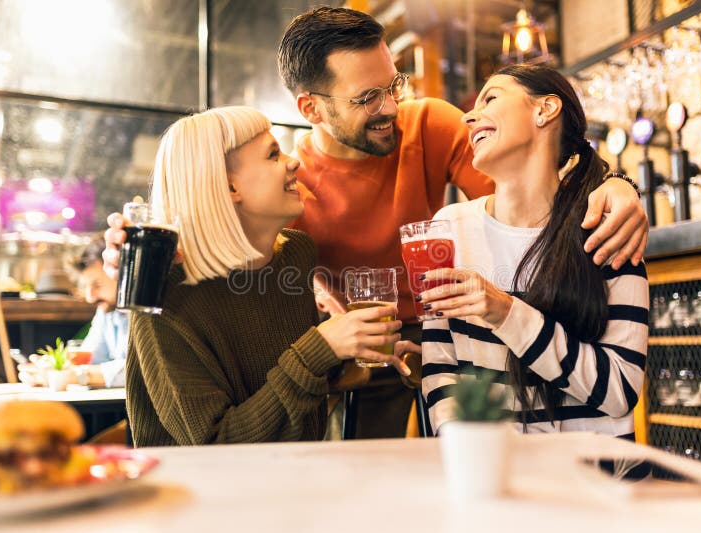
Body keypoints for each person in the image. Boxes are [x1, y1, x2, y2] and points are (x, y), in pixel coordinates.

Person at [106, 7, 648, 439]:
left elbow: (533, 189)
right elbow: (219, 237)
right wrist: (127, 260)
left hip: (460, 329)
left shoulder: (429, 124)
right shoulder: (294, 195)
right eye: (367, 98)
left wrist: (614, 181)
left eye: (394, 85)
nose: (391, 106)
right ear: (312, 108)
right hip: (365, 356)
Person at [121, 105, 409, 447]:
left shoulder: (296, 254)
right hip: (198, 496)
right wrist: (322, 346)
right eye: (273, 155)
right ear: (229, 186)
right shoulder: (162, 295)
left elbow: (291, 379)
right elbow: (217, 445)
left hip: (295, 484)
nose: (293, 161)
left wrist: (349, 348)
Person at [419, 65, 649, 440]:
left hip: (596, 482)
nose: (469, 116)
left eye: (490, 97)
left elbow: (619, 391)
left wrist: (505, 311)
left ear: (545, 110)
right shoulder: (448, 229)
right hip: (496, 480)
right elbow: (440, 368)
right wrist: (470, 451)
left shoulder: (605, 228)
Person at [74, 235, 128, 388]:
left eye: (97, 284)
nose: (90, 297)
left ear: (122, 274)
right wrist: (52, 368)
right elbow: (90, 357)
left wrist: (77, 376)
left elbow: (141, 370)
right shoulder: (106, 311)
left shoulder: (148, 310)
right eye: (86, 286)